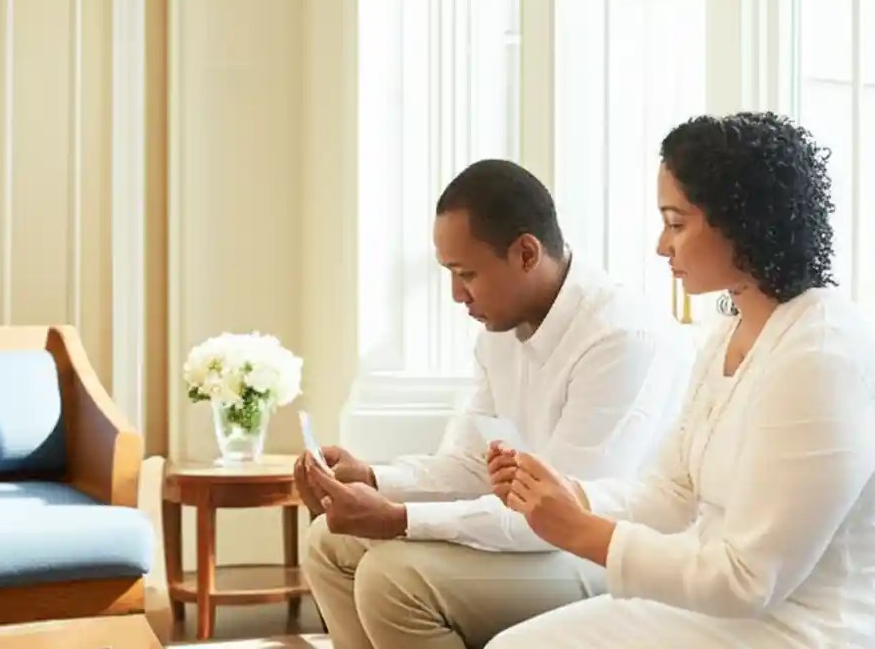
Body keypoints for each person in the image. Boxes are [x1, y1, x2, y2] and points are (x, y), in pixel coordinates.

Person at [486, 113, 875, 648]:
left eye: (676, 222)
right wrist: (566, 494)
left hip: (811, 631)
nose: (661, 246)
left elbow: (745, 578)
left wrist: (579, 530)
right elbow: (672, 492)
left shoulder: (824, 360)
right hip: (721, 613)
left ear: (743, 222)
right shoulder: (729, 333)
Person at [295, 159, 691, 649]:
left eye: (467, 274)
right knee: (327, 544)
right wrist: (373, 480)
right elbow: (469, 465)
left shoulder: (620, 339)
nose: (457, 294)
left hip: (606, 553)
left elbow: (557, 517)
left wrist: (398, 518)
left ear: (526, 253)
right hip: (538, 538)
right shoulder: (497, 332)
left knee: (391, 577)